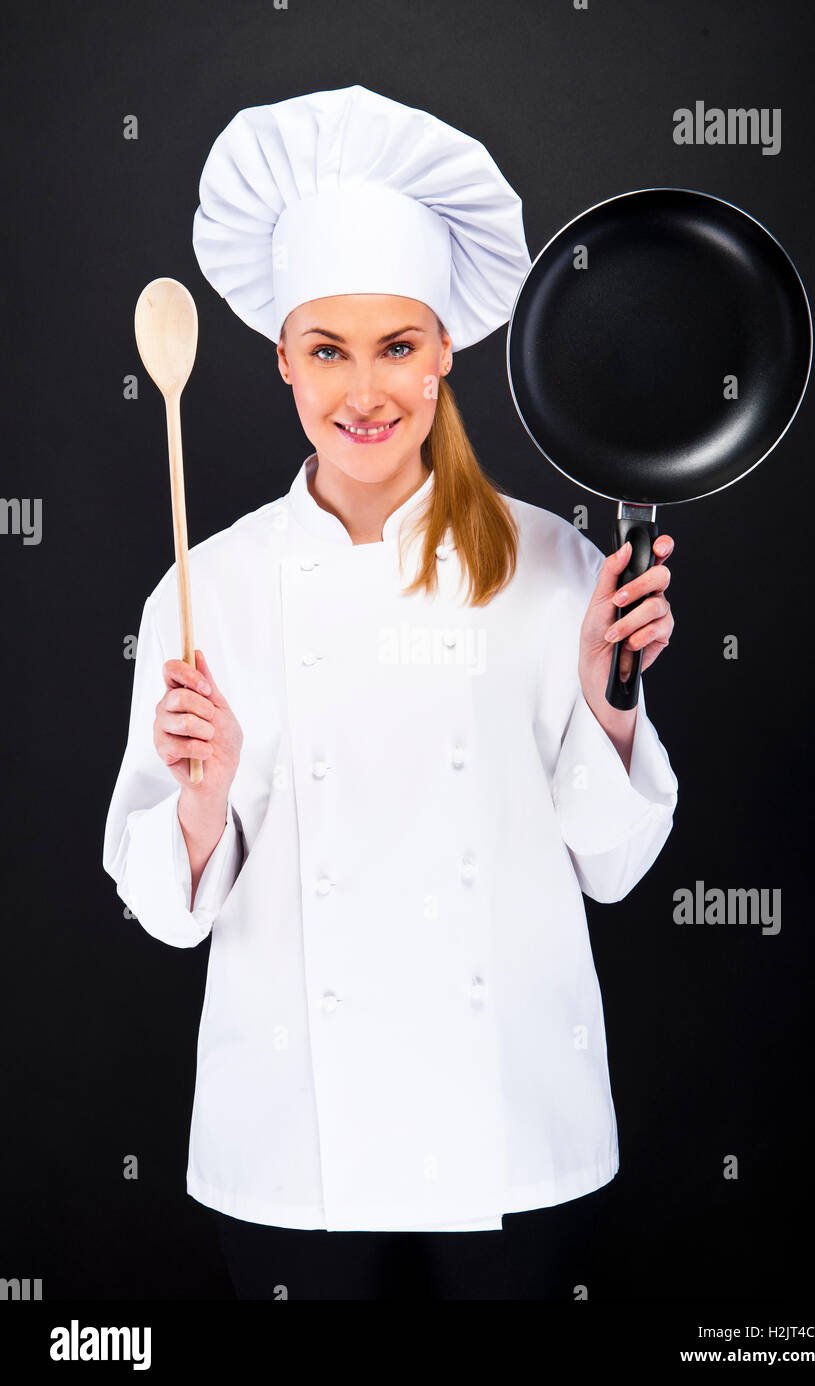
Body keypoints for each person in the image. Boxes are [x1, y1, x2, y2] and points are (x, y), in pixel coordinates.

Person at [103, 85, 677, 1300]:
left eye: (396, 346)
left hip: (509, 1132)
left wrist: (606, 697)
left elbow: (614, 866)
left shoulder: (554, 563)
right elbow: (167, 913)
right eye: (327, 350)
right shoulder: (210, 588)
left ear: (444, 351)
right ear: (279, 358)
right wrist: (201, 803)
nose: (363, 392)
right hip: (296, 1146)